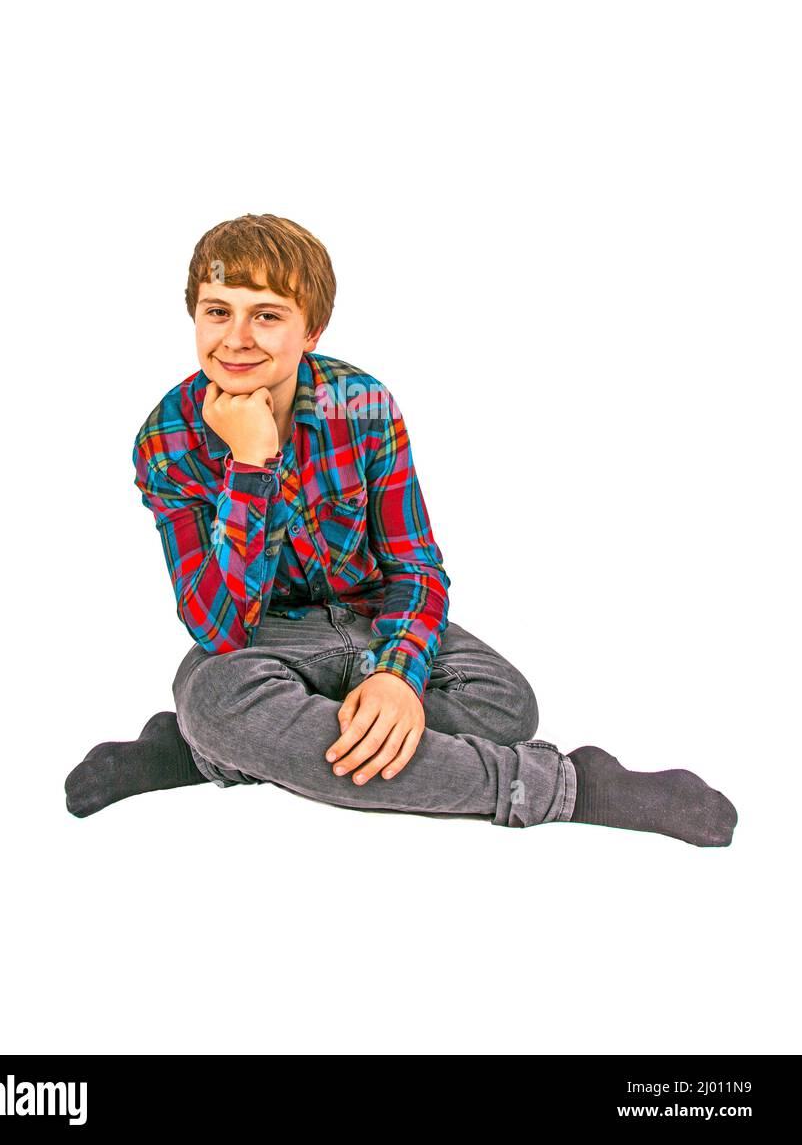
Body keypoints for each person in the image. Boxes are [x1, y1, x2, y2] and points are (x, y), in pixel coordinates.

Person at [65, 213, 737, 846]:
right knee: (215, 697)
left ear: (312, 330)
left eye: (266, 315)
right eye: (218, 312)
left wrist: (397, 675)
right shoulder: (167, 437)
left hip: (369, 621)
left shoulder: (362, 405)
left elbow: (415, 569)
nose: (236, 338)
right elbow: (218, 629)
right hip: (261, 645)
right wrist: (250, 464)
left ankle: (212, 753)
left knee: (506, 705)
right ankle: (569, 788)